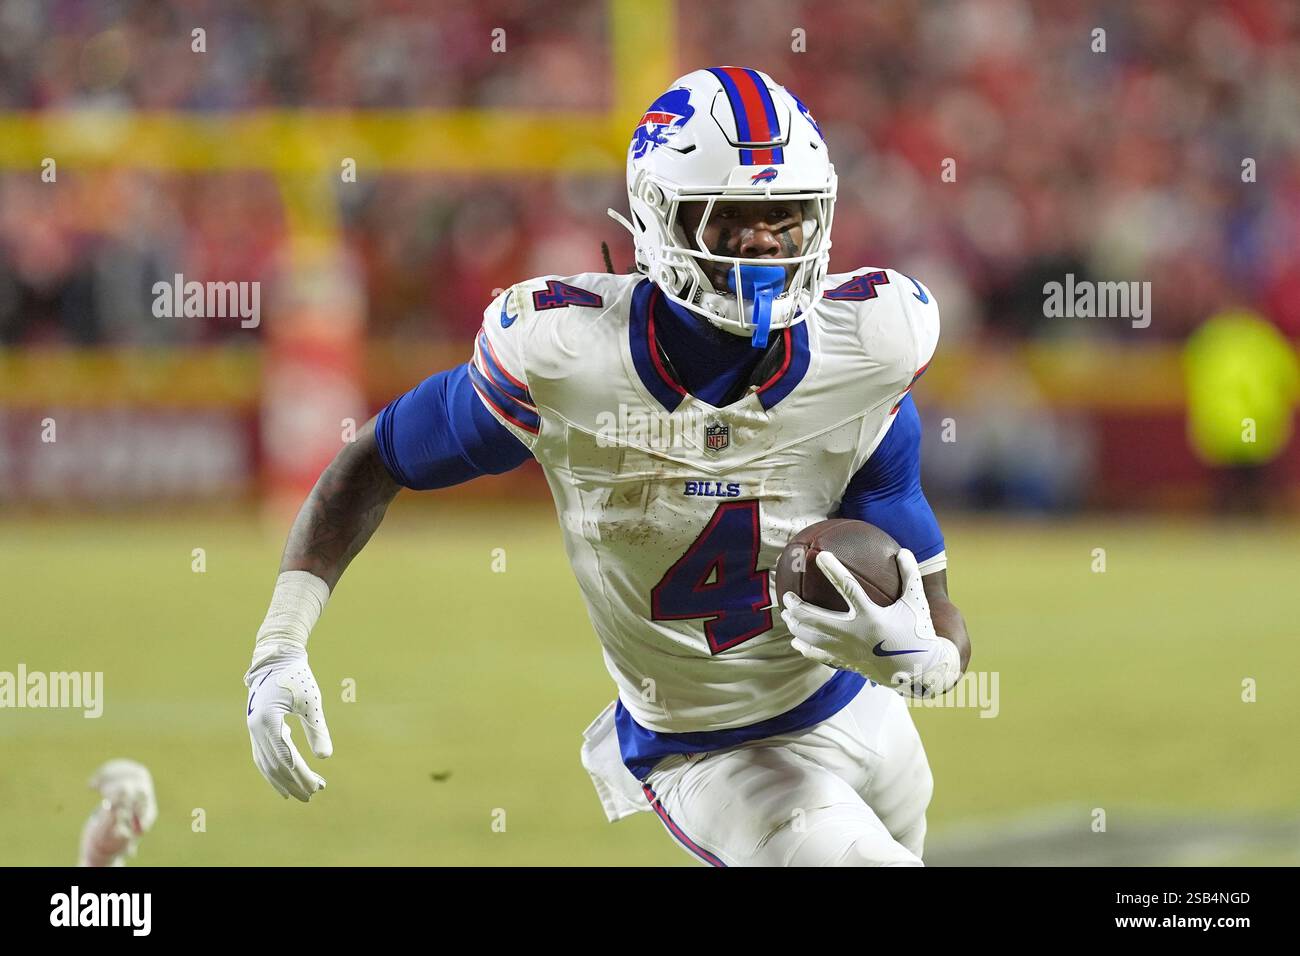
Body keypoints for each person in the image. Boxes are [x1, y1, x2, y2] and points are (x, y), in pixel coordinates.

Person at [244, 66, 972, 866]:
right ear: (660, 220)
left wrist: (927, 660)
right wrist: (280, 646)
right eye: (732, 218)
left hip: (863, 715)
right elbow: (376, 459)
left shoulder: (864, 350)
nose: (765, 241)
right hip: (713, 754)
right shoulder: (568, 359)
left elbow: (935, 604)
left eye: (785, 216)